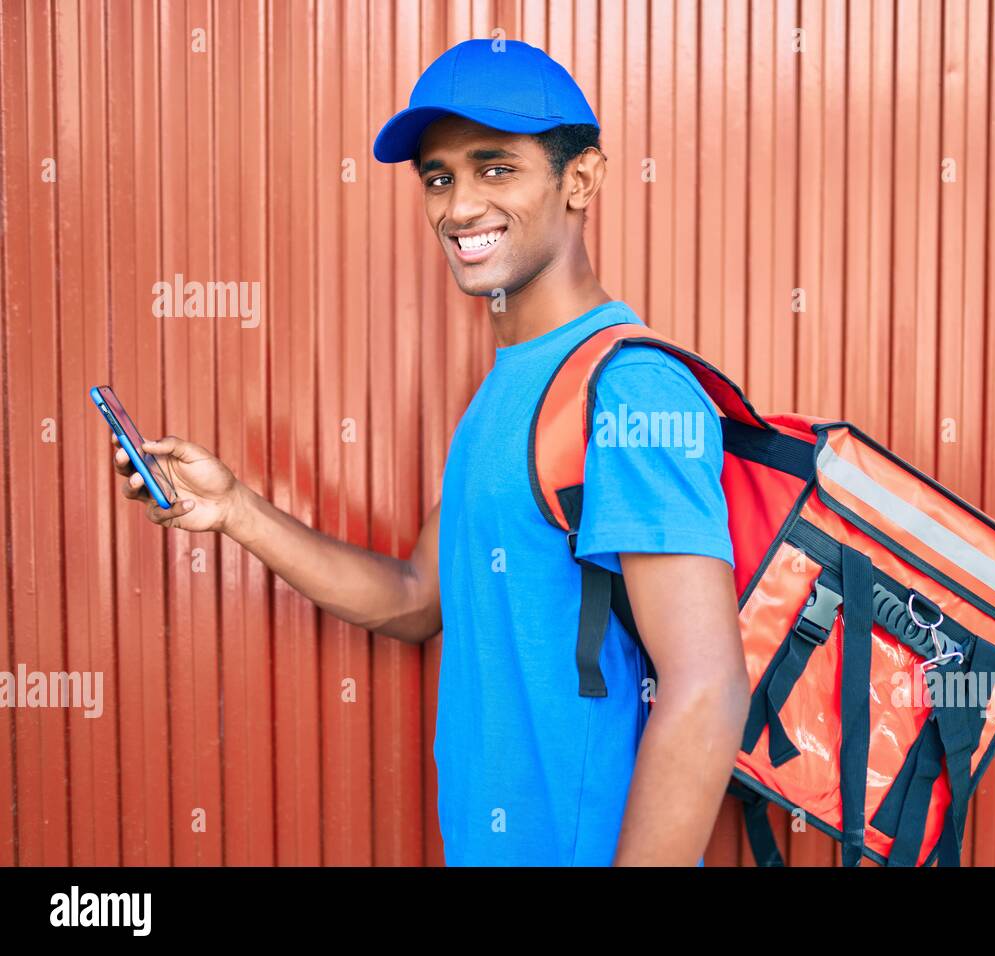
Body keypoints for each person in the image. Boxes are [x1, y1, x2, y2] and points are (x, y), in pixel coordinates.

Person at [112, 38, 749, 866]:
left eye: (496, 168)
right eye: (439, 177)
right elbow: (416, 600)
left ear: (580, 179)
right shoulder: (508, 394)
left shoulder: (626, 392)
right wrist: (235, 509)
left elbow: (707, 689)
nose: (457, 207)